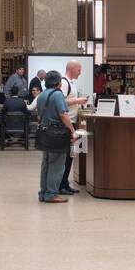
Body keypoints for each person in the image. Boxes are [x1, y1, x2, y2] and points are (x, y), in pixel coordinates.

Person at [37, 70, 74, 204]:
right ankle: (52, 194)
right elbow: (63, 114)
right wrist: (72, 131)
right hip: (56, 134)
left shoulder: (41, 95)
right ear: (59, 82)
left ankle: (43, 192)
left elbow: (39, 116)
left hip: (45, 133)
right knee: (57, 165)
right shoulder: (57, 94)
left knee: (46, 164)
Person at [57, 60, 91, 195]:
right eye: (79, 69)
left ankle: (65, 183)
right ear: (72, 68)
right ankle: (61, 185)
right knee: (66, 157)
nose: (80, 72)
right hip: (66, 125)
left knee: (70, 156)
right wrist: (78, 101)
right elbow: (61, 101)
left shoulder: (70, 83)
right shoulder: (64, 83)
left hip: (71, 124)